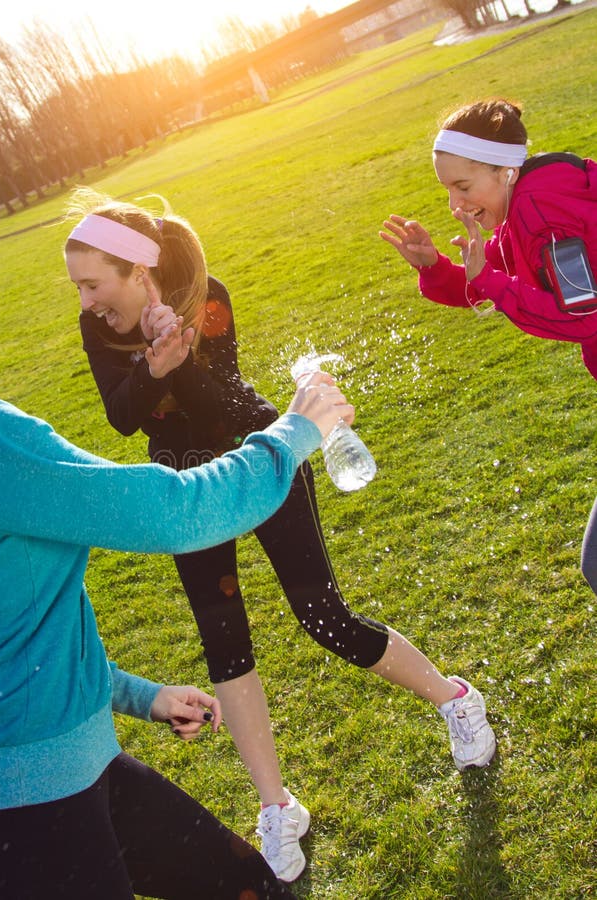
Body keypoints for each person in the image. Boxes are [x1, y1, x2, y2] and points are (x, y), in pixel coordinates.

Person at [0, 217, 358, 900]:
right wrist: (291, 432)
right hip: (30, 814)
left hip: (39, 786)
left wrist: (138, 696)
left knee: (249, 887)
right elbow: (173, 513)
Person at [64, 194, 497, 882]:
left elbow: (224, 407)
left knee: (322, 618)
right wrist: (150, 365)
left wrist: (177, 360)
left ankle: (454, 698)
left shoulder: (209, 299)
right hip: (185, 488)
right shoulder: (100, 328)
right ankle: (277, 807)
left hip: (262, 461)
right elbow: (122, 419)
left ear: (137, 270)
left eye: (92, 283)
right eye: (78, 287)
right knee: (224, 644)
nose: (85, 301)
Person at [379, 98, 597, 598]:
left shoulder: (543, 208)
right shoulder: (519, 207)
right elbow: (485, 281)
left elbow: (582, 317)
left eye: (463, 186)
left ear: (504, 169)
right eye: (448, 190)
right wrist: (432, 264)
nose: (457, 205)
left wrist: (491, 282)